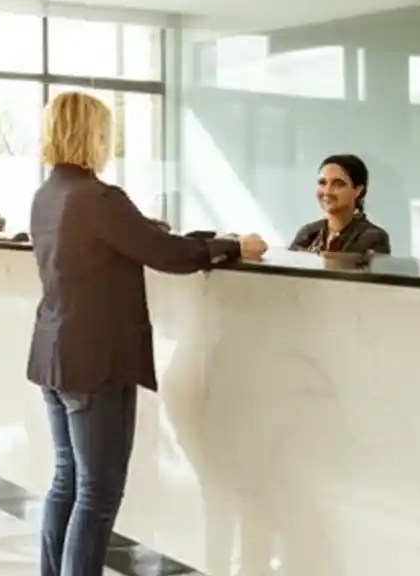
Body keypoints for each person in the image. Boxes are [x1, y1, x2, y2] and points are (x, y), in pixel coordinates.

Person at [28, 91, 267, 576]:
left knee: (66, 482)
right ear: (91, 135)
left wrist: (201, 240)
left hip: (54, 353)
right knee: (97, 493)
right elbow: (167, 255)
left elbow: (143, 239)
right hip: (96, 360)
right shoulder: (96, 197)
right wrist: (232, 245)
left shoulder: (47, 194)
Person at [290, 154, 391, 255]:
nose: (327, 191)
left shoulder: (373, 237)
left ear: (358, 190)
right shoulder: (308, 233)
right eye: (323, 183)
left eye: (338, 184)